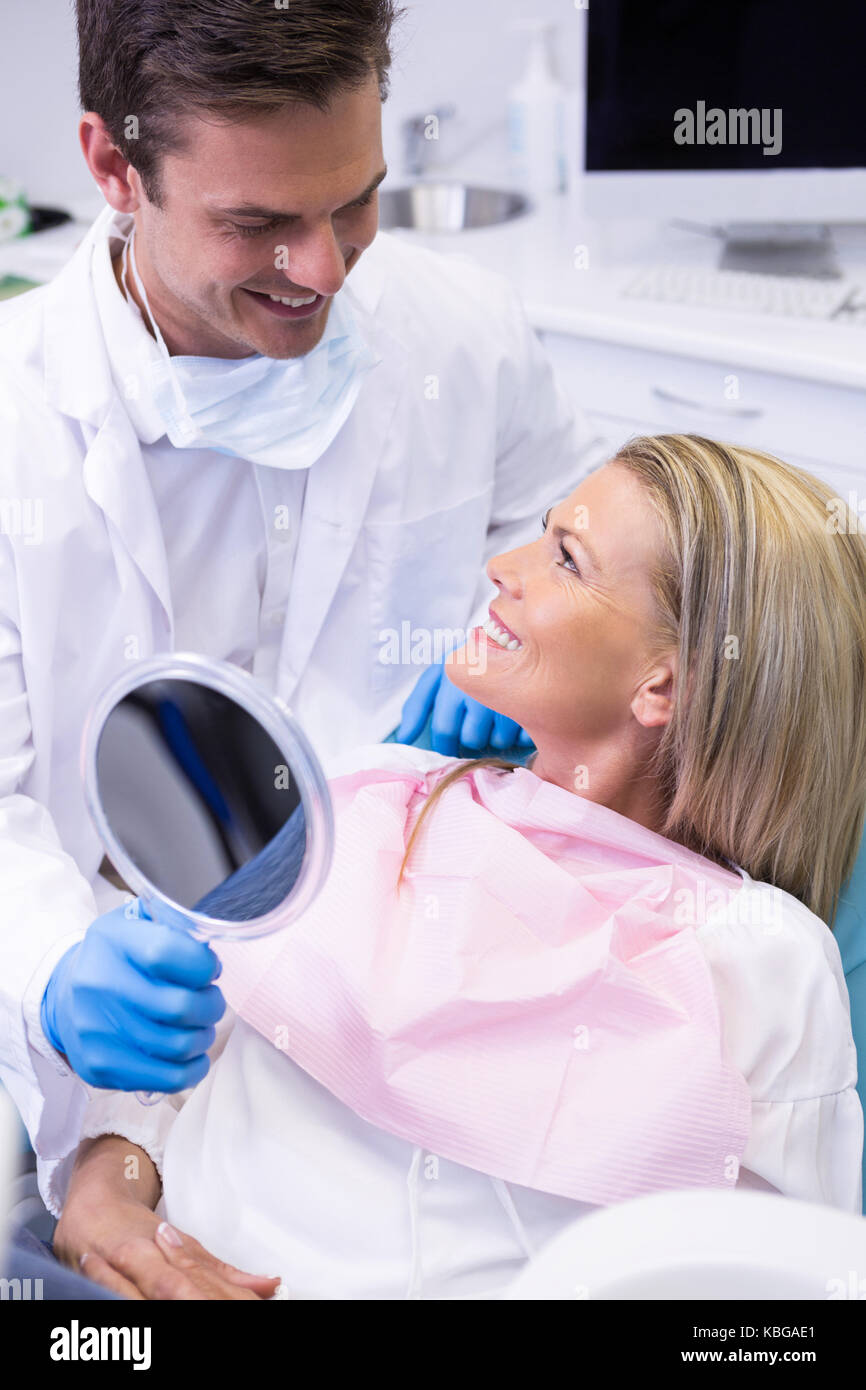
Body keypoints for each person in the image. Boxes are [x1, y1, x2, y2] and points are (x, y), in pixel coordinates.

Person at [0, 0, 607, 1189]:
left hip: (412, 986)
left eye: (355, 202)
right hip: (119, 1005)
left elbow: (596, 581)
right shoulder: (12, 426)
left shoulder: (461, 337)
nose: (324, 269)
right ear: (113, 168)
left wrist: (539, 684)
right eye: (259, 223)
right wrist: (55, 968)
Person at [49, 435, 866, 1300]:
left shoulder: (756, 957)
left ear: (663, 686)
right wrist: (106, 1205)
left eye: (566, 559)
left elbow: (783, 1299)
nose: (502, 566)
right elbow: (160, 1083)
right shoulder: (377, 794)